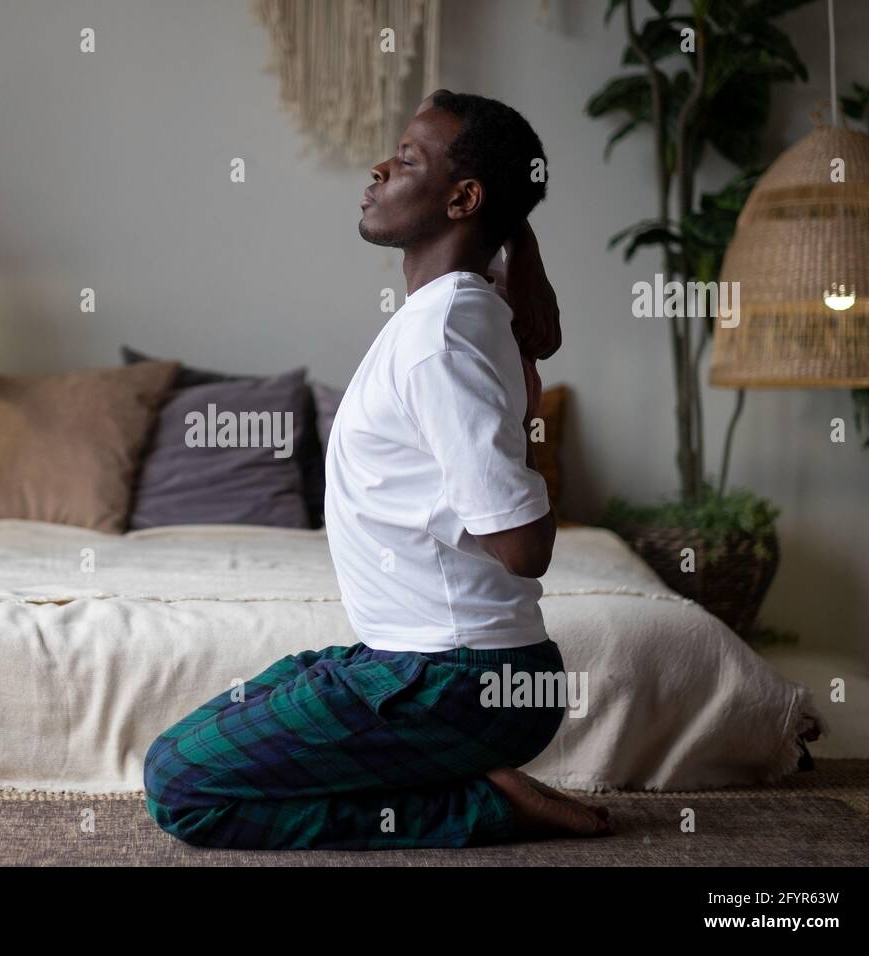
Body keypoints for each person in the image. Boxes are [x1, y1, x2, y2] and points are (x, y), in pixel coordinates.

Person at [144, 91, 610, 850]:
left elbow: (526, 549)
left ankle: (482, 807)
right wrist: (515, 232)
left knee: (182, 786)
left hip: (461, 683)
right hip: (416, 660)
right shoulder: (452, 312)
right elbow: (524, 294)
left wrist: (519, 451)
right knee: (223, 724)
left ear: (463, 198)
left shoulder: (443, 337)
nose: (379, 167)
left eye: (407, 158)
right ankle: (458, 773)